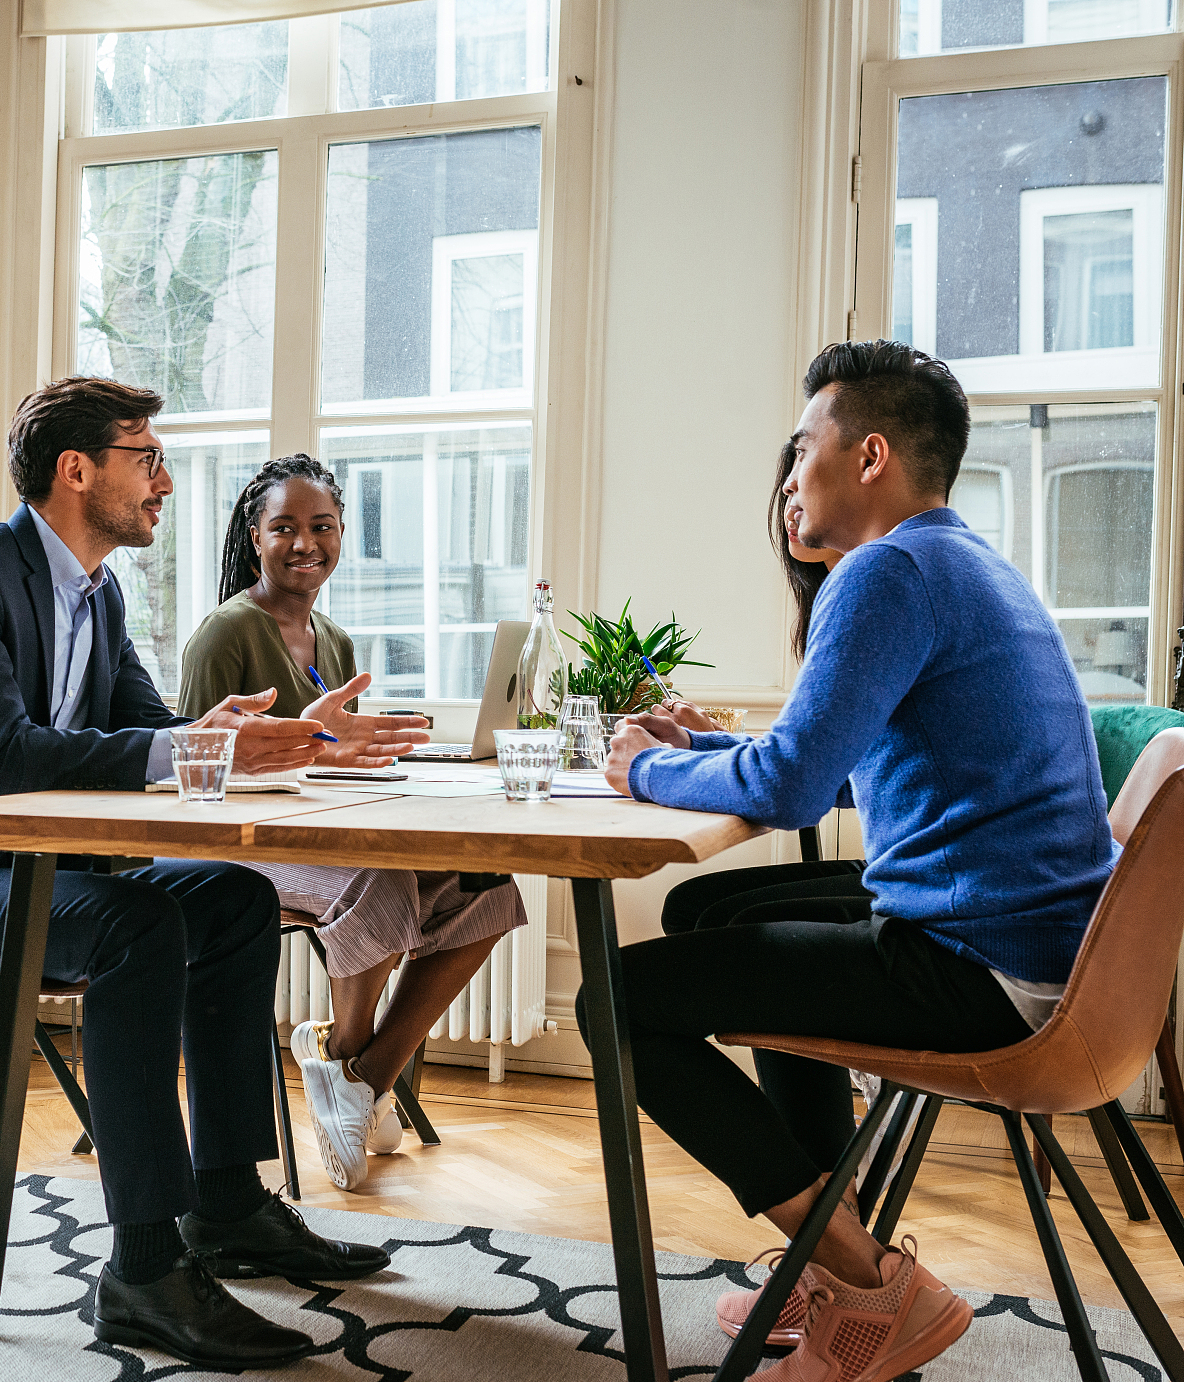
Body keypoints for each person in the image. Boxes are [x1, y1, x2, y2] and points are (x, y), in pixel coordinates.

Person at [0, 377, 423, 1371]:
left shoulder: (99, 591)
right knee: (135, 924)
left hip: (24, 873)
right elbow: (3, 754)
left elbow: (158, 734)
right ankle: (142, 1268)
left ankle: (225, 1204)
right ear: (76, 470)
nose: (166, 481)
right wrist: (184, 748)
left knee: (227, 895)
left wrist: (287, 738)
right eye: (146, 458)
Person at [591, 342, 1119, 1382]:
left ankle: (863, 1275)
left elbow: (788, 788)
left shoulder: (885, 572)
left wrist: (647, 770)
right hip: (1046, 940)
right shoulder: (957, 560)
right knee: (707, 912)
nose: (788, 477)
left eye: (802, 448)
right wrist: (697, 752)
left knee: (612, 997)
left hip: (980, 962)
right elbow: (839, 769)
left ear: (867, 453)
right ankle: (825, 1264)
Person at [178, 454, 524, 1191]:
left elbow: (335, 762)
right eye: (285, 528)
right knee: (382, 876)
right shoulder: (225, 634)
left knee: (488, 888)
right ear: (255, 535)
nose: (306, 543)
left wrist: (379, 758)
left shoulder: (333, 640)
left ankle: (359, 1076)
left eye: (323, 527)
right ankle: (357, 1079)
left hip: (318, 832)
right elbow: (196, 774)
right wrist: (301, 747)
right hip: (235, 849)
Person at [653, 441, 868, 938]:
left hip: (936, 910)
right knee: (692, 907)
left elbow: (800, 784)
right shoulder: (848, 592)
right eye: (785, 487)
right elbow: (836, 771)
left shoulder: (876, 583)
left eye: (803, 475)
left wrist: (646, 766)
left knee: (688, 934)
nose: (791, 499)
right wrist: (705, 745)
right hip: (933, 887)